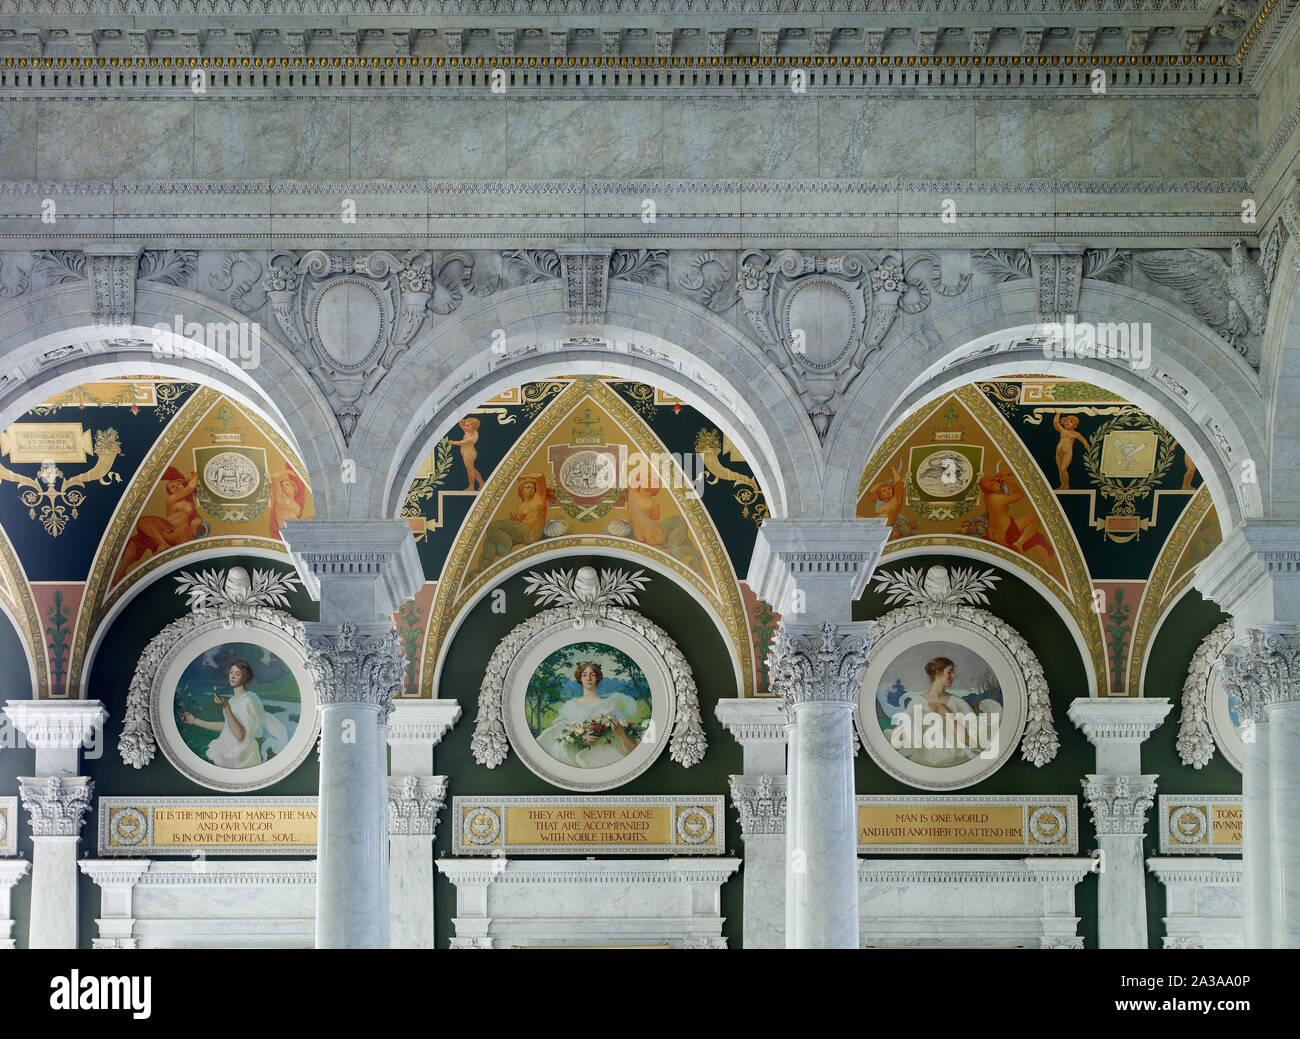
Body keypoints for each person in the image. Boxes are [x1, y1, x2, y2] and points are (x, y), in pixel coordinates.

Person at [179, 659, 287, 769]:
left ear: (245, 677)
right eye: (231, 672)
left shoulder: (248, 700)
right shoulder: (231, 701)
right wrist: (195, 721)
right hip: (228, 754)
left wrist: (226, 707)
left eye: (237, 673)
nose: (232, 676)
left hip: (243, 758)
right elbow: (227, 727)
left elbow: (240, 735)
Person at [894, 656, 1000, 768]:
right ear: (938, 673)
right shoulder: (916, 703)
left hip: (956, 762)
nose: (953, 676)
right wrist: (913, 726)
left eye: (953, 672)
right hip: (925, 764)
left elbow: (970, 740)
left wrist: (949, 716)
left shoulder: (958, 703)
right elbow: (898, 742)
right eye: (950, 672)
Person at [535, 662, 641, 769]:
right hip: (575, 756)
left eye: (593, 675)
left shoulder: (609, 706)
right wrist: (581, 741)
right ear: (580, 678)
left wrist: (621, 734)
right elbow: (562, 736)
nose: (588, 678)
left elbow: (631, 746)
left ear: (597, 678)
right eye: (584, 675)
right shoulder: (570, 706)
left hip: (604, 755)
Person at [118, 467, 205, 574]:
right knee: (139, 528)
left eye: (178, 484)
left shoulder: (189, 503)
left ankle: (162, 544)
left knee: (137, 539)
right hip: (168, 530)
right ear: (170, 492)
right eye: (172, 487)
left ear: (183, 485)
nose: (176, 486)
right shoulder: (172, 499)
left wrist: (196, 522)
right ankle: (120, 573)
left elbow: (196, 517)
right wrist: (196, 477)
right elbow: (190, 488)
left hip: (179, 537)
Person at [979, 468, 1054, 564]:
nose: (998, 485)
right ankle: (1019, 544)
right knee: (1033, 518)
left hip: (996, 533)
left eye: (996, 482)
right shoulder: (998, 499)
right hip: (1006, 534)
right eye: (994, 485)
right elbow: (1020, 494)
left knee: (1037, 534)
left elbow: (992, 480)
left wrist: (1001, 473)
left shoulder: (987, 496)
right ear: (990, 488)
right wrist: (1008, 481)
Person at [477, 472, 549, 568]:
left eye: (533, 488)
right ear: (521, 490)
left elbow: (540, 476)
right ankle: (483, 567)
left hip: (531, 532)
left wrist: (524, 476)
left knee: (493, 526)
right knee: (490, 538)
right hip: (523, 535)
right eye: (528, 487)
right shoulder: (521, 507)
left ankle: (504, 549)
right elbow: (520, 524)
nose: (532, 489)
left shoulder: (538, 498)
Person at [268, 463, 307, 536]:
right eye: (282, 485)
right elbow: (274, 477)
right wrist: (287, 471)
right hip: (285, 532)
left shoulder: (297, 505)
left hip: (295, 533)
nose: (284, 487)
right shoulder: (281, 498)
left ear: (293, 488)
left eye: (287, 484)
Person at [446, 416, 484, 491]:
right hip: (466, 453)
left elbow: (462, 442)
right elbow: (461, 425)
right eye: (465, 425)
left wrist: (452, 442)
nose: (465, 427)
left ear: (473, 427)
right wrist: (460, 417)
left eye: (467, 426)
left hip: (469, 454)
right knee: (472, 469)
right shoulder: (468, 431)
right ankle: (482, 483)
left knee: (470, 470)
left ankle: (471, 486)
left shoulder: (473, 436)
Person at [1052, 413, 1088, 490]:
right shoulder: (1062, 430)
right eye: (1066, 421)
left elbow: (1083, 440)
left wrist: (1087, 446)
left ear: (1074, 425)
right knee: (1060, 470)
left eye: (1071, 422)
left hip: (1067, 453)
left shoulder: (1076, 434)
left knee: (1063, 469)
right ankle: (1063, 485)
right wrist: (1058, 414)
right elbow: (1055, 422)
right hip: (1058, 453)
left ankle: (1067, 485)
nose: (1067, 423)